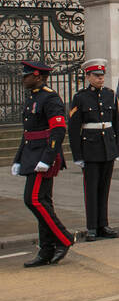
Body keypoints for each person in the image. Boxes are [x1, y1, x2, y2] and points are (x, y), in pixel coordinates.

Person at [12, 58, 73, 268]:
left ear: (37, 76)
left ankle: (64, 239)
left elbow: (58, 130)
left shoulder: (50, 99)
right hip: (31, 156)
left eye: (26, 75)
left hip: (43, 158)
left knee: (34, 200)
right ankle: (46, 250)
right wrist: (18, 159)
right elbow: (28, 132)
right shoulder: (32, 99)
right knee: (42, 202)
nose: (23, 79)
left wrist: (47, 159)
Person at [68, 58, 119, 241]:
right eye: (96, 76)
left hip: (107, 146)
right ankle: (91, 226)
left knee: (104, 188)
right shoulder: (80, 97)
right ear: (88, 76)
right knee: (91, 189)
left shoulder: (110, 94)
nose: (100, 79)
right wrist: (77, 155)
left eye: (102, 75)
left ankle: (103, 224)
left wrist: (116, 149)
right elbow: (74, 128)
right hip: (90, 148)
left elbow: (116, 123)